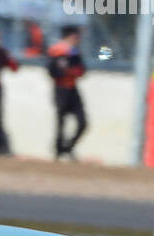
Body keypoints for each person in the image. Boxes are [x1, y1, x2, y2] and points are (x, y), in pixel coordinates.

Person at [48, 24, 87, 160]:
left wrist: (70, 71)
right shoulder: (56, 51)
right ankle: (58, 151)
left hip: (73, 89)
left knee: (83, 123)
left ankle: (68, 147)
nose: (78, 40)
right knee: (61, 123)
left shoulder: (75, 52)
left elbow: (82, 70)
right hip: (61, 90)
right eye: (76, 37)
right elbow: (53, 72)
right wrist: (67, 71)